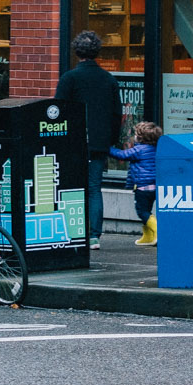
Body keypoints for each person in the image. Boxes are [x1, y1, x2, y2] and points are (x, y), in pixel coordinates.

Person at [56, 29, 121, 249]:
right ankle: (94, 236)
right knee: (94, 187)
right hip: (99, 142)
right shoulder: (108, 79)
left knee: (72, 187)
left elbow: (58, 110)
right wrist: (111, 140)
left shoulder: (69, 78)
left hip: (73, 142)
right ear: (97, 51)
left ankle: (74, 231)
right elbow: (116, 114)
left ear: (77, 52)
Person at [109, 121, 162, 247]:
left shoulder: (139, 150)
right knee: (147, 210)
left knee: (142, 211)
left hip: (142, 187)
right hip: (154, 187)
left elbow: (121, 155)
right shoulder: (156, 149)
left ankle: (157, 229)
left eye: (136, 134)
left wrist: (106, 148)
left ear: (141, 137)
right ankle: (148, 237)